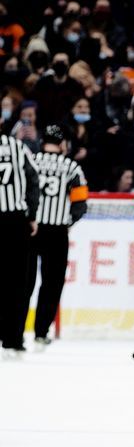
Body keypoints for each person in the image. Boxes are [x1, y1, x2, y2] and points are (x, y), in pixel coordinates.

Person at [25, 125, 88, 347]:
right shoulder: (71, 167)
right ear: (63, 144)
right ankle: (41, 332)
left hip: (28, 229)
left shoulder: (29, 159)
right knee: (52, 284)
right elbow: (80, 204)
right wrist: (67, 223)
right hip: (56, 231)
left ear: (43, 141)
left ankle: (12, 330)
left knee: (22, 281)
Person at [0, 129, 39, 359]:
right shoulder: (17, 147)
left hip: (14, 220)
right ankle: (13, 338)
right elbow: (33, 180)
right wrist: (32, 215)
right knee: (17, 281)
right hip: (15, 220)